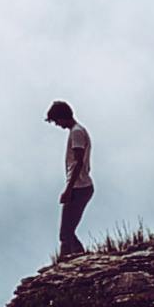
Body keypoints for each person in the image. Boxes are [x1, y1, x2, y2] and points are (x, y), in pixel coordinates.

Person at [46, 99, 93, 257]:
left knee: (65, 233)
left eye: (56, 120)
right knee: (67, 231)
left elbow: (78, 163)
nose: (57, 124)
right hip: (81, 186)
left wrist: (68, 189)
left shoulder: (77, 132)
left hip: (79, 187)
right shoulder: (78, 131)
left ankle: (69, 263)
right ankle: (78, 259)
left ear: (62, 117)